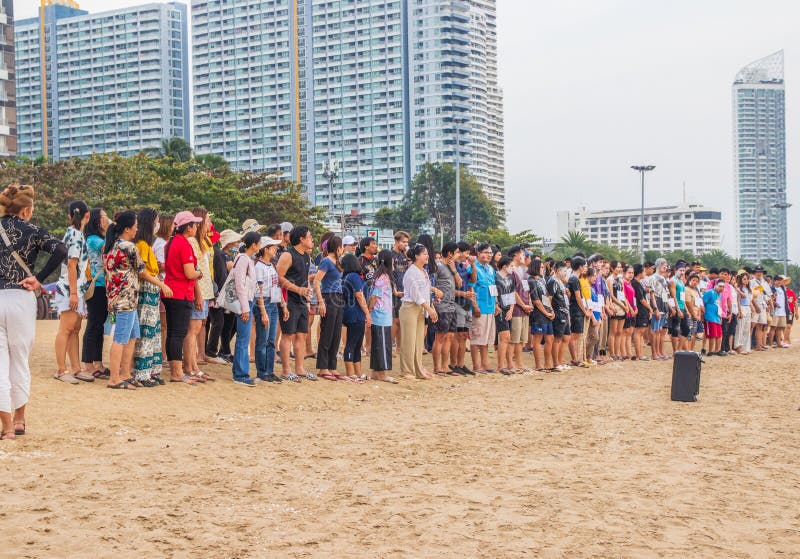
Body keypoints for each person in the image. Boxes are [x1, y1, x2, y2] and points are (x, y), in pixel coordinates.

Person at [0, 184, 66, 440]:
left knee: (0, 365)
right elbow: (60, 249)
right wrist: (38, 278)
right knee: (19, 360)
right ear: (26, 210)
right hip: (21, 298)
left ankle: (5, 427)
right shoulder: (31, 229)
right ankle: (19, 419)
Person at [104, 211, 172, 390]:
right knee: (120, 338)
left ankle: (126, 373)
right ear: (127, 229)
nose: (137, 229)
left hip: (122, 298)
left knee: (133, 336)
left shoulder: (112, 245)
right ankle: (114, 378)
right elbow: (142, 271)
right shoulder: (128, 247)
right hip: (125, 299)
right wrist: (162, 285)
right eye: (134, 226)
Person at [162, 211, 204, 385]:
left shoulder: (170, 243)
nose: (196, 227)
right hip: (181, 293)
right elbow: (189, 272)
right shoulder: (184, 244)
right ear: (188, 227)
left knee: (172, 333)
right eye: (194, 224)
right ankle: (177, 372)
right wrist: (199, 273)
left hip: (171, 291)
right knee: (177, 333)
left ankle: (176, 370)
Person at [54, 200, 92, 384]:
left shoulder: (73, 233)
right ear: (87, 215)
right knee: (66, 329)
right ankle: (62, 369)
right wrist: (74, 293)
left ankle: (76, 368)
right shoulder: (76, 235)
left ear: (69, 215)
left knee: (74, 329)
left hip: (74, 287)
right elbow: (72, 263)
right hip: (70, 288)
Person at [131, 208, 169, 386]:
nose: (157, 225)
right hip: (147, 292)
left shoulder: (147, 245)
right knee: (145, 332)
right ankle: (141, 372)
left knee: (153, 333)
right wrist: (161, 283)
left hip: (153, 293)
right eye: (156, 221)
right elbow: (143, 272)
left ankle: (151, 371)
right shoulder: (141, 246)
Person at [277, 225, 315, 382]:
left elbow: (304, 280)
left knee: (302, 334)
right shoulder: (288, 255)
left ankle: (300, 368)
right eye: (310, 237)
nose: (312, 240)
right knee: (288, 335)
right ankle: (286, 370)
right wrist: (298, 290)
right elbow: (279, 278)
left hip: (301, 301)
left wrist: (306, 294)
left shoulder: (306, 256)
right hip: (289, 301)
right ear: (301, 239)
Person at [399, 244, 438, 379]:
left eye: (427, 254)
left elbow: (425, 292)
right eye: (424, 254)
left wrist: (430, 308)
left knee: (418, 341)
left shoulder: (424, 271)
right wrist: (429, 309)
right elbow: (416, 295)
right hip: (410, 308)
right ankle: (407, 371)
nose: (427, 256)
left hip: (421, 308)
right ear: (416, 256)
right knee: (409, 341)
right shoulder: (412, 272)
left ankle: (418, 369)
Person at [81, 207, 111, 379]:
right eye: (103, 217)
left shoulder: (100, 238)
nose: (106, 219)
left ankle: (98, 363)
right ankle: (88, 364)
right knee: (93, 324)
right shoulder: (93, 239)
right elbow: (108, 249)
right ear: (96, 220)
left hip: (104, 286)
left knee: (99, 325)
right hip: (96, 285)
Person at [185, 208, 215, 380]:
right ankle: (191, 366)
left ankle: (194, 364)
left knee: (197, 328)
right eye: (208, 220)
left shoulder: (202, 242)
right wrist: (198, 294)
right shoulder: (192, 242)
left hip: (204, 291)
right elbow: (194, 270)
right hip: (198, 291)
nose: (209, 224)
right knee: (193, 329)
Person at [206, 229, 240, 364]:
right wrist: (219, 295)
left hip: (229, 294)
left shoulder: (230, 256)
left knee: (230, 324)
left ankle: (224, 350)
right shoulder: (220, 255)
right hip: (221, 294)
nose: (238, 243)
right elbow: (221, 276)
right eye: (235, 241)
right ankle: (212, 350)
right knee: (219, 323)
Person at [230, 231, 260, 386]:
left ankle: (239, 371)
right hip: (245, 303)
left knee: (243, 338)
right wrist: (245, 308)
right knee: (243, 339)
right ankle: (241, 374)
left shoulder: (247, 259)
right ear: (253, 245)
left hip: (247, 302)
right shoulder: (243, 259)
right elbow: (239, 285)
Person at [254, 236, 284, 383]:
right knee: (263, 339)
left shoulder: (271, 265)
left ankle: (269, 370)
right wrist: (263, 311)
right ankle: (262, 371)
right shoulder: (258, 267)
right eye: (273, 247)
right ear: (266, 249)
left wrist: (282, 303)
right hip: (265, 303)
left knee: (271, 340)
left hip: (273, 302)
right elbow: (258, 291)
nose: (276, 249)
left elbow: (276, 285)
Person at [314, 235, 345, 381]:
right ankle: (323, 367)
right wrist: (321, 302)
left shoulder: (337, 262)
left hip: (338, 298)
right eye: (341, 246)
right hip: (328, 296)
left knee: (336, 334)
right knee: (327, 332)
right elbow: (316, 282)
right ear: (337, 247)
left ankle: (332, 366)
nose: (343, 249)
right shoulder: (326, 261)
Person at [369, 250, 397, 383]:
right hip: (381, 316)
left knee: (378, 345)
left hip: (381, 316)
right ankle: (382, 373)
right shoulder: (384, 278)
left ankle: (376, 372)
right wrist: (368, 311)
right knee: (383, 345)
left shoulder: (382, 276)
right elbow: (374, 297)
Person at [431, 242, 459, 376]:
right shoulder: (438, 265)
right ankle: (437, 367)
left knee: (450, 337)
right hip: (441, 306)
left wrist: (454, 270)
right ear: (450, 253)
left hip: (452, 305)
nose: (458, 255)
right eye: (457, 252)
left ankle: (445, 366)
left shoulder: (452, 266)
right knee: (440, 337)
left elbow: (460, 283)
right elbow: (430, 283)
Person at [469, 243, 497, 373]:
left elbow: (493, 287)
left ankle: (485, 364)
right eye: (486, 252)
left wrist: (496, 304)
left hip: (490, 307)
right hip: (479, 308)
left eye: (490, 253)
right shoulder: (473, 268)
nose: (489, 255)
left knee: (486, 339)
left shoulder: (491, 269)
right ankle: (476, 366)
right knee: (476, 338)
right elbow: (471, 287)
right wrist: (475, 305)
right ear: (479, 254)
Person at [342, 253, 370, 382]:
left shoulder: (347, 276)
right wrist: (367, 313)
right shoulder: (354, 276)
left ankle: (357, 372)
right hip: (355, 313)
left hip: (349, 311)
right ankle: (351, 372)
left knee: (357, 343)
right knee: (353, 343)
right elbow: (359, 296)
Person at [508, 246, 532, 372]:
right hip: (516, 308)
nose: (525, 257)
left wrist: (529, 304)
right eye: (522, 254)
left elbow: (526, 289)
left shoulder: (523, 271)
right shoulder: (511, 270)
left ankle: (520, 364)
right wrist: (523, 305)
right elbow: (513, 291)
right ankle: (510, 364)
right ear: (515, 256)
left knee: (522, 339)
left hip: (525, 308)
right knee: (514, 338)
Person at [153, 214, 173, 362]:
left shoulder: (163, 242)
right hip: (162, 284)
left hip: (165, 284)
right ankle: (162, 355)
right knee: (163, 325)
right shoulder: (161, 244)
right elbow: (160, 265)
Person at [529, 258, 554, 371]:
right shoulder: (531, 281)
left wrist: (551, 310)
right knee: (538, 339)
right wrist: (545, 312)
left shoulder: (542, 281)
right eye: (542, 267)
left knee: (550, 338)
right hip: (538, 314)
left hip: (547, 313)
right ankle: (538, 365)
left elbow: (546, 297)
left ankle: (548, 364)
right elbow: (536, 300)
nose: (544, 269)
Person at [494, 256, 516, 374]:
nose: (513, 268)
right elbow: (493, 292)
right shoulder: (495, 277)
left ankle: (508, 364)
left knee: (508, 338)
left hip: (509, 309)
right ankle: (500, 366)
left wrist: (511, 309)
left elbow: (512, 293)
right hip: (500, 309)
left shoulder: (511, 278)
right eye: (511, 266)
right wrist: (496, 304)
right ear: (504, 266)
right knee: (504, 336)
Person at [548, 260, 571, 371]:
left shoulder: (561, 282)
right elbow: (549, 298)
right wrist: (551, 310)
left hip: (565, 312)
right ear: (558, 271)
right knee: (557, 339)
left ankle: (561, 361)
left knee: (566, 337)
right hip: (558, 312)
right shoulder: (553, 281)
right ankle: (556, 363)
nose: (566, 273)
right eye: (564, 271)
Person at [391, 231, 410, 350]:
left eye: (407, 242)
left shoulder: (404, 256)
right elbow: (389, 274)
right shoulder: (390, 255)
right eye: (403, 242)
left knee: (401, 321)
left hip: (404, 292)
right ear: (397, 242)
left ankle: (399, 347)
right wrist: (394, 289)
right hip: (394, 292)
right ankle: (389, 346)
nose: (405, 244)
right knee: (395, 321)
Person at [703, 280, 725, 355]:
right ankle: (710, 351)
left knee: (719, 334)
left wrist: (720, 317)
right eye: (720, 286)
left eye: (723, 287)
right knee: (712, 334)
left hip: (717, 317)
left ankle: (717, 350)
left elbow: (719, 305)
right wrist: (703, 314)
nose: (721, 288)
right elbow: (703, 303)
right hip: (709, 316)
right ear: (715, 285)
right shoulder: (709, 292)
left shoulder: (719, 295)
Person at [733, 272, 752, 354]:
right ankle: (738, 346)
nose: (746, 281)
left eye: (747, 279)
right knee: (740, 328)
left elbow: (749, 299)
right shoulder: (738, 288)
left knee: (747, 328)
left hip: (748, 307)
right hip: (741, 307)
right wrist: (739, 311)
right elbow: (739, 300)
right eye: (744, 279)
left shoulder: (748, 289)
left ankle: (745, 347)